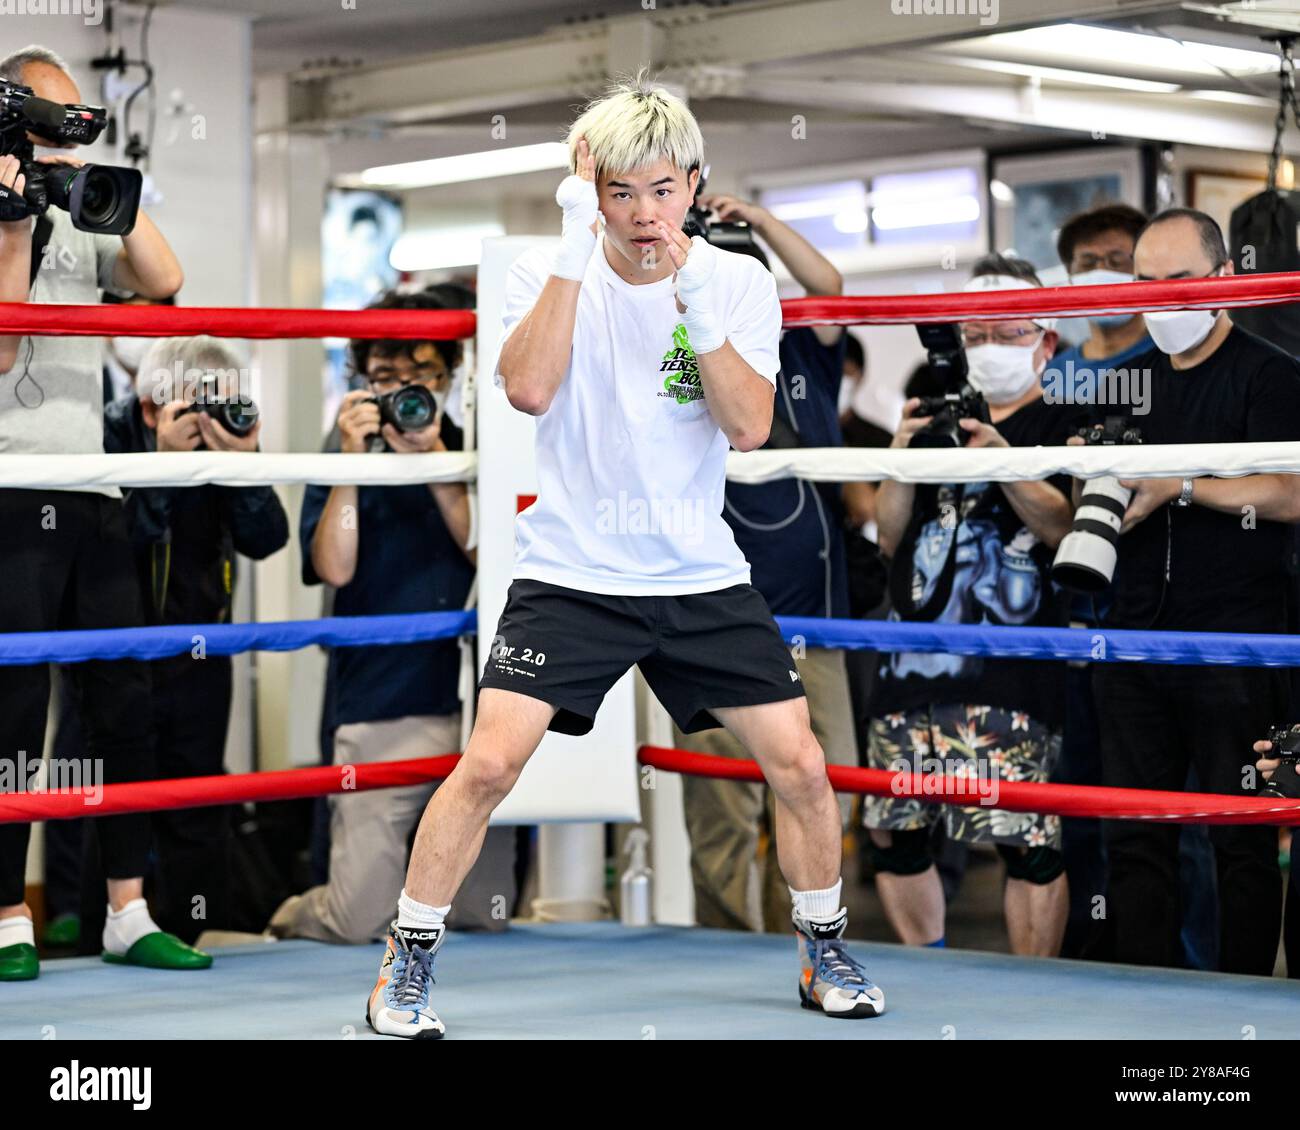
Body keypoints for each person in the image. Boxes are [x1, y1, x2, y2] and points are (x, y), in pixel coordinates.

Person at [364, 73, 885, 1038]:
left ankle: (822, 949)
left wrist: (691, 297)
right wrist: (571, 253)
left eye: (661, 190)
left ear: (693, 183)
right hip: (572, 572)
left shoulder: (735, 279)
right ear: (588, 189)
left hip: (699, 572)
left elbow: (748, 427)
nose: (644, 215)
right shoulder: (547, 275)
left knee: (803, 766)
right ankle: (409, 961)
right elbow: (525, 391)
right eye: (619, 193)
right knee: (485, 766)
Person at [0, 45, 204, 980]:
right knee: (14, 712)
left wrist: (91, 180)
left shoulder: (77, 204)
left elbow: (164, 282)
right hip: (10, 488)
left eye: (76, 118)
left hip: (96, 486)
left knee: (127, 698)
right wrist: (10, 214)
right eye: (51, 118)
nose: (65, 133)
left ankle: (129, 906)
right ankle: (8, 915)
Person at [1083, 208, 1300, 975]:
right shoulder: (1120, 384)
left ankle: (1242, 1001)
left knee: (1239, 834)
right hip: (1135, 635)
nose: (1164, 297)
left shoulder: (1272, 375)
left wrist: (1183, 484)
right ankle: (1145, 1000)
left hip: (1235, 638)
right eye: (1147, 282)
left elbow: (1289, 493)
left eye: (1182, 280)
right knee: (1135, 831)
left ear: (1226, 279)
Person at [272, 288, 515, 946]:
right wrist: (351, 467)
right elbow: (335, 568)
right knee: (358, 920)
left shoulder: (473, 442)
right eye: (385, 378)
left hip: (480, 708)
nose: (404, 391)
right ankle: (292, 912)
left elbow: (489, 553)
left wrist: (436, 464)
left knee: (486, 911)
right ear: (363, 381)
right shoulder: (343, 444)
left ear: (450, 375)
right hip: (382, 696)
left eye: (420, 376)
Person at [865, 254, 1084, 957]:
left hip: (1013, 659)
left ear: (1046, 341)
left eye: (1009, 331)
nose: (989, 345)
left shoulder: (1067, 419)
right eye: (977, 332)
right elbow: (892, 537)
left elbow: (1064, 529)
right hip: (911, 656)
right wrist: (903, 455)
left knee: (1023, 836)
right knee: (895, 831)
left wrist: (1001, 459)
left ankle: (1034, 991)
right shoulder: (938, 413)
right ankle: (929, 972)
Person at [664, 193, 857, 933]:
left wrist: (762, 222)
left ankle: (805, 939)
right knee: (722, 811)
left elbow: (830, 290)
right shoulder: (678, 342)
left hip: (819, 620)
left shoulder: (802, 347)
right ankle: (724, 952)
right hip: (708, 612)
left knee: (820, 786)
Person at [79, 336, 289, 947]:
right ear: (151, 408)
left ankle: (200, 931)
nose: (210, 417)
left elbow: (267, 537)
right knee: (117, 797)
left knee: (197, 796)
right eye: (195, 406)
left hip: (201, 646)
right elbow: (110, 543)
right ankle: (106, 937)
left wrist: (243, 466)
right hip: (114, 649)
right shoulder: (110, 434)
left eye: (220, 404)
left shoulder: (225, 434)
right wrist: (164, 469)